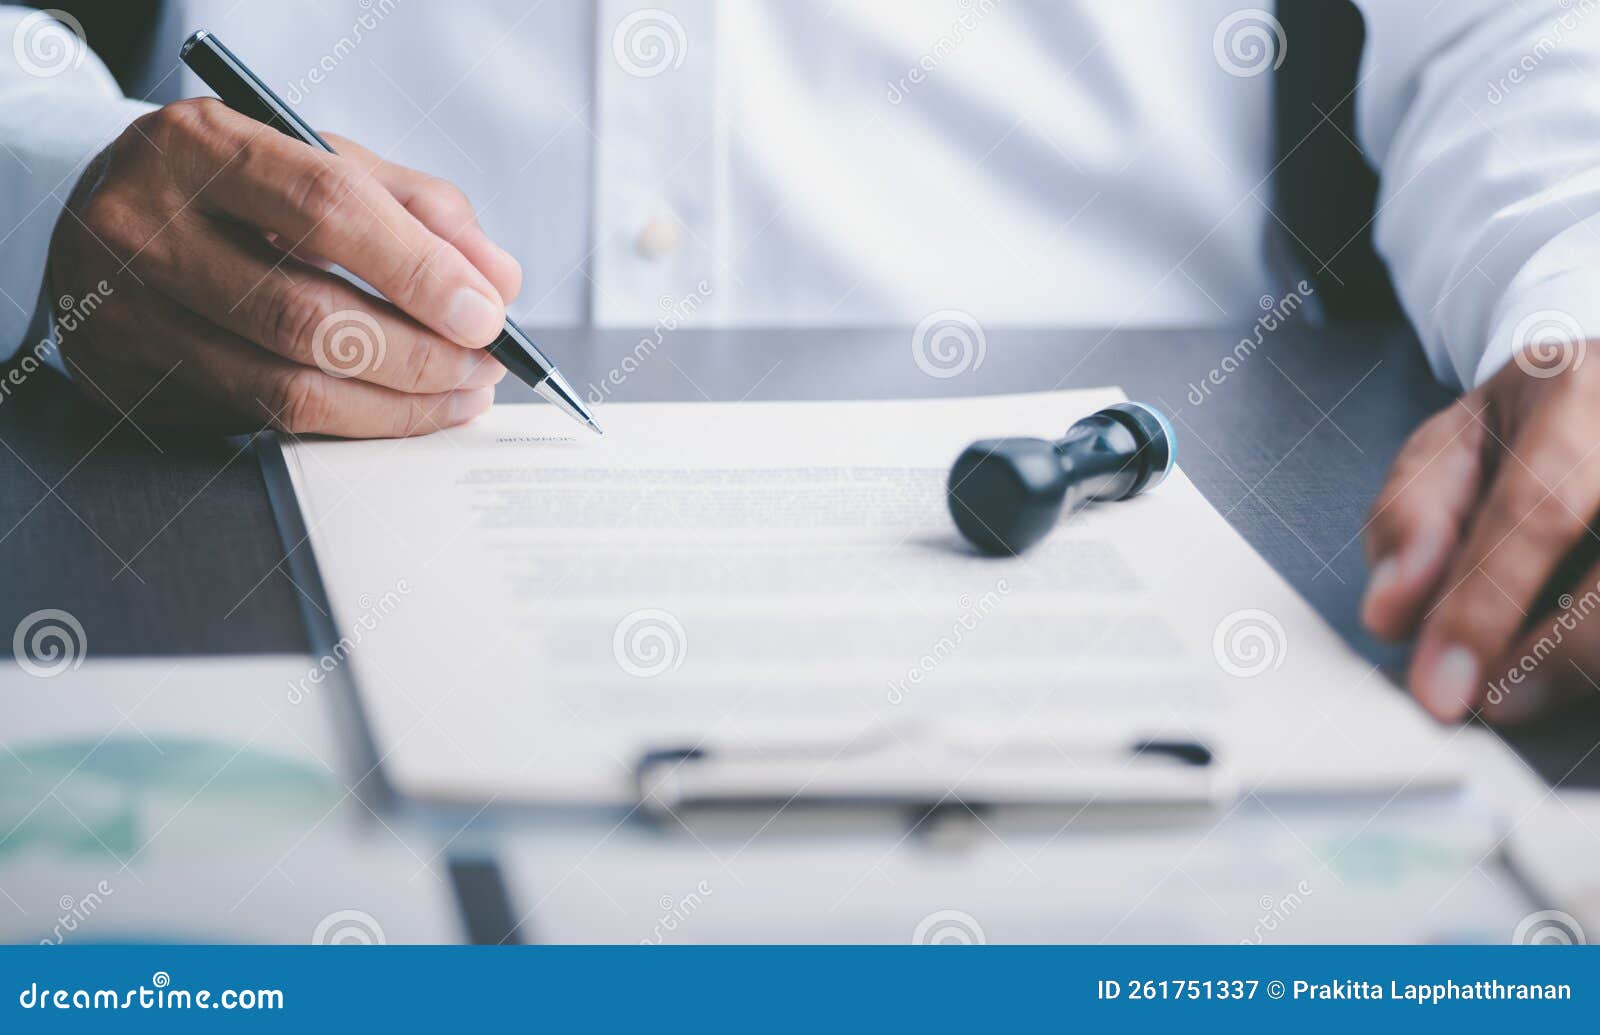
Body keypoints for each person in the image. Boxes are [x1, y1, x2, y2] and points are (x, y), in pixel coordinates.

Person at [3, 1, 1598, 727]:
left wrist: (1577, 303)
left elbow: (1518, 31)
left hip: (1197, 538)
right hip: (224, 503)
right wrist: (48, 164)